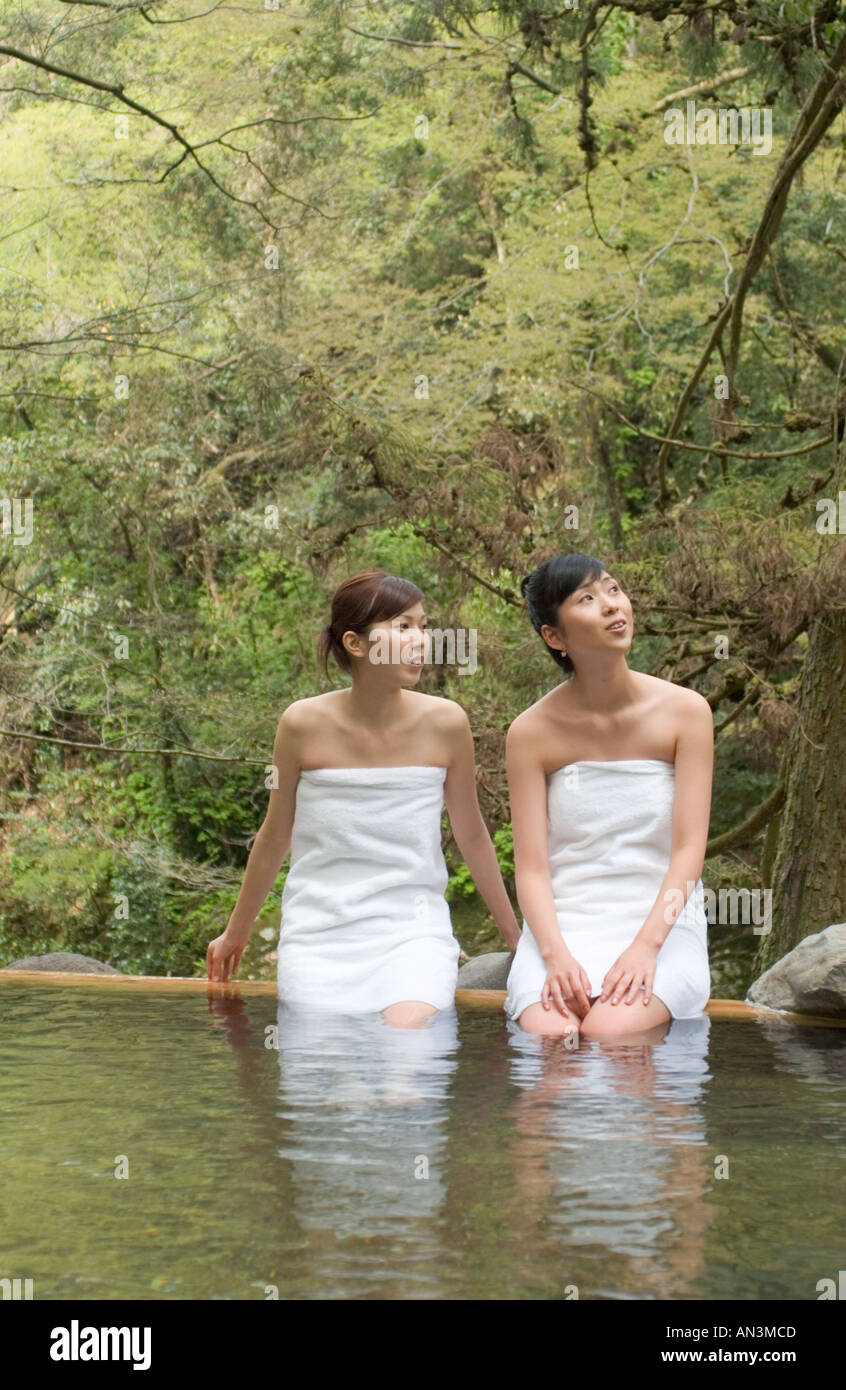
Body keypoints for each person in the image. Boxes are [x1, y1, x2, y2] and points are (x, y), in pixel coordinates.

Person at [207, 570, 520, 1027]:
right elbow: (274, 836)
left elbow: (471, 834)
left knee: (409, 1050)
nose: (420, 641)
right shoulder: (300, 725)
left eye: (423, 627)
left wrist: (515, 937)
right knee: (328, 1069)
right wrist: (236, 933)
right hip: (320, 933)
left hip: (413, 932)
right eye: (403, 627)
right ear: (355, 644)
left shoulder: (447, 723)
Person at [504, 552, 712, 1038]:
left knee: (609, 1035)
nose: (612, 607)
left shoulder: (686, 713)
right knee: (551, 1040)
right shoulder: (531, 732)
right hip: (563, 923)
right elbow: (531, 867)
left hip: (662, 921)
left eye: (614, 590)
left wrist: (645, 947)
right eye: (588, 599)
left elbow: (689, 851)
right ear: (555, 638)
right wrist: (554, 956)